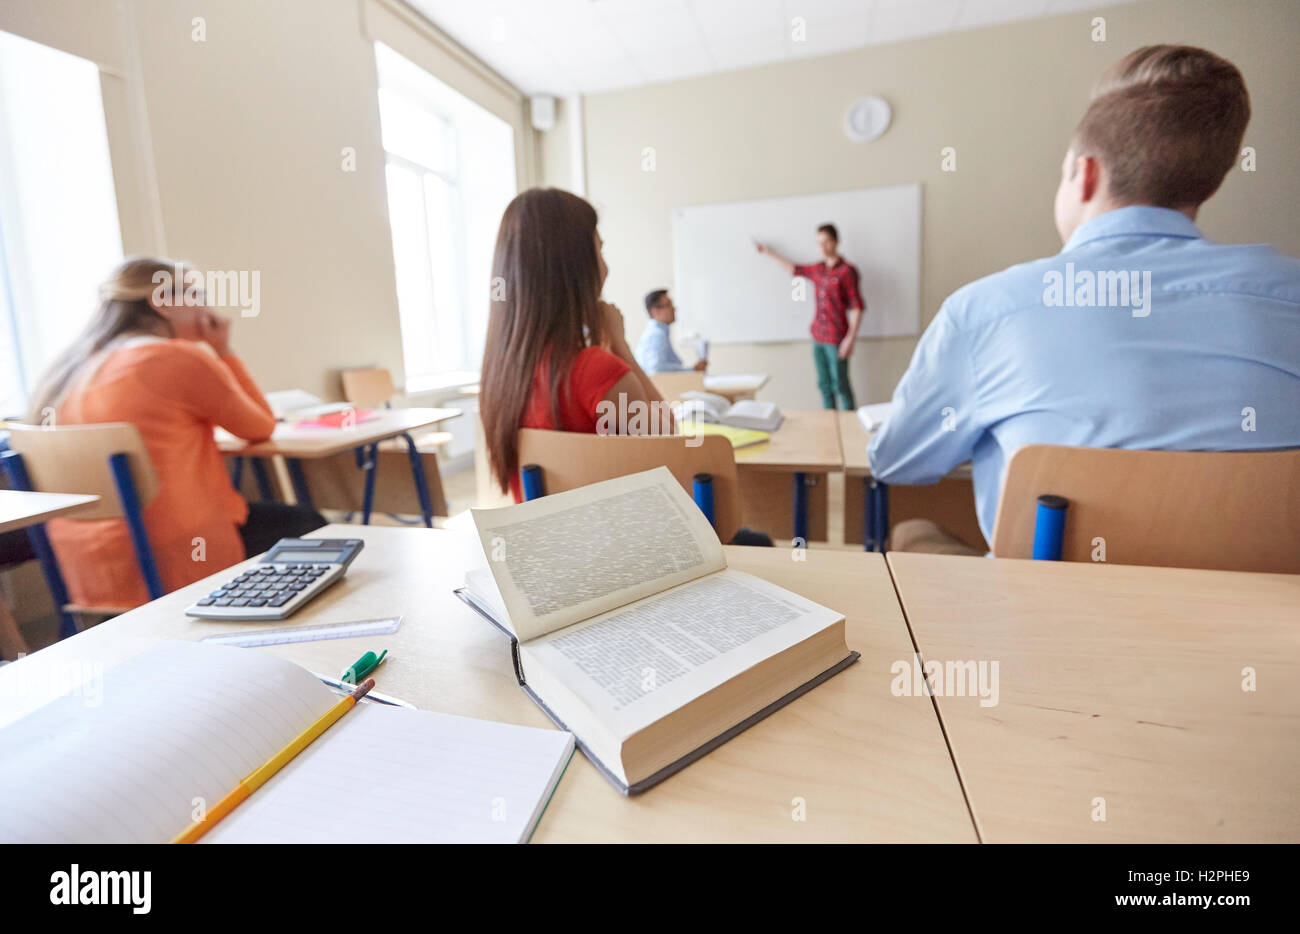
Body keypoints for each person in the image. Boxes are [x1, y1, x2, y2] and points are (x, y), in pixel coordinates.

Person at [867, 45, 1300, 554]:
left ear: (1085, 174)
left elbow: (895, 461)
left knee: (912, 532)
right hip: (1266, 627)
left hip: (1041, 625)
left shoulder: (987, 312)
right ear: (1204, 187)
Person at [25, 257, 326, 608]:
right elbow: (260, 426)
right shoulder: (174, 358)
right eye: (195, 294)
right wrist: (222, 350)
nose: (203, 305)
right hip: (178, 554)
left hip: (88, 565)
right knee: (312, 525)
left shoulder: (67, 371)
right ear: (162, 302)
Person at [479, 188, 673, 502]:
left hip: (544, 546)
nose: (606, 268)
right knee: (755, 538)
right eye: (599, 250)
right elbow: (670, 442)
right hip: (618, 547)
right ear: (575, 266)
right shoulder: (595, 370)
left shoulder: (498, 377)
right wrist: (620, 345)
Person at [756, 224, 865, 410]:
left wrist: (850, 339)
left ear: (836, 241)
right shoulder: (818, 269)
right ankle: (829, 422)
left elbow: (856, 307)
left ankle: (849, 425)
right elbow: (794, 270)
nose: (822, 247)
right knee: (824, 385)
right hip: (818, 335)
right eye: (819, 243)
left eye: (826, 242)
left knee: (840, 384)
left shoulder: (847, 271)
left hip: (837, 337)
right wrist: (770, 253)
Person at [634, 289, 707, 374]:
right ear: (655, 312)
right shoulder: (656, 335)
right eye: (668, 305)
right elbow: (656, 369)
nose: (674, 308)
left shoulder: (658, 332)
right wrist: (692, 370)